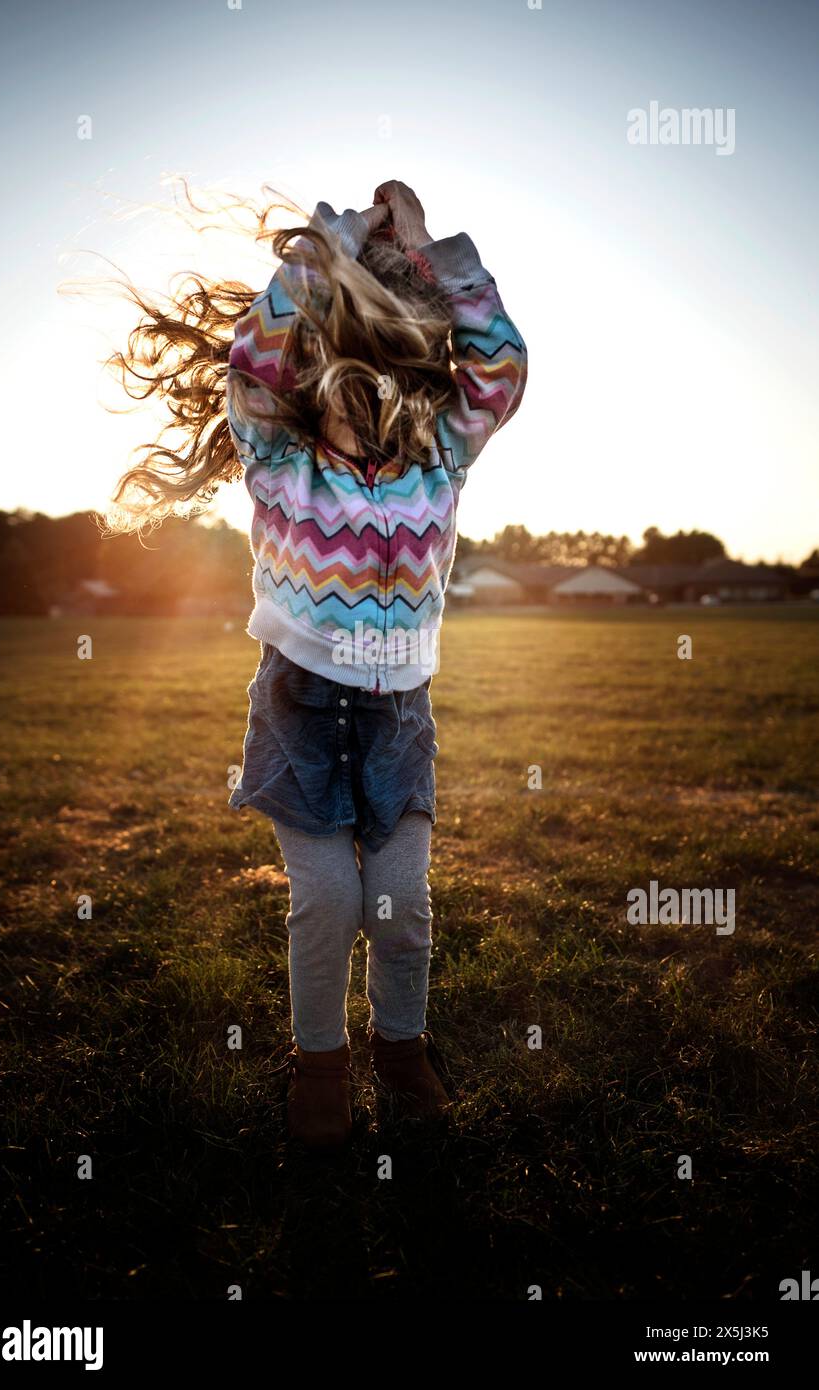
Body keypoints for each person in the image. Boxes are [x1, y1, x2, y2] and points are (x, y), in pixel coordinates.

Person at [108, 180, 528, 1149]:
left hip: (398, 721)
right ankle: (320, 1064)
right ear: (316, 376)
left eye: (384, 379)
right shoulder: (278, 459)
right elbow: (248, 360)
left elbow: (500, 371)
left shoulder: (439, 461)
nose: (363, 404)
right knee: (330, 899)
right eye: (344, 378)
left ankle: (402, 1051)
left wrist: (432, 252)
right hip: (300, 712)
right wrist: (327, 245)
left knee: (402, 902)